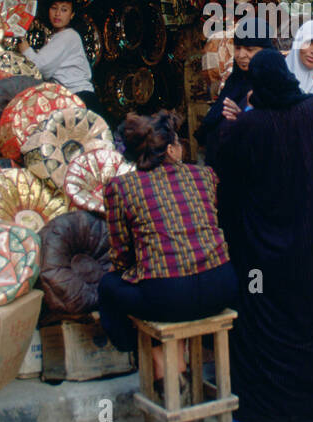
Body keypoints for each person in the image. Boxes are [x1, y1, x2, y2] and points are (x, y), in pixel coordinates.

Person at [211, 49, 313, 422]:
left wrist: (234, 124)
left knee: (263, 317)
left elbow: (226, 177)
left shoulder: (248, 127)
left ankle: (269, 411)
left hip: (263, 254)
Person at [98, 111, 239, 382]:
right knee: (173, 284)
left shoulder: (121, 187)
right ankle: (175, 356)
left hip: (168, 297)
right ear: (172, 149)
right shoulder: (204, 175)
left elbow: (120, 255)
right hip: (222, 285)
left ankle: (157, 357)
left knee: (108, 286)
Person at [194, 16, 275, 159]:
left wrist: (243, 119)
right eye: (237, 48)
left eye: (249, 49)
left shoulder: (273, 85)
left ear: (266, 50)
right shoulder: (235, 81)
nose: (241, 55)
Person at [20, 0, 99, 115]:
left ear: (71, 15)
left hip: (80, 98)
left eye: (64, 10)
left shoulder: (68, 36)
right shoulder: (59, 37)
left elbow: (40, 67)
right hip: (74, 98)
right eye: (54, 8)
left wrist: (25, 48)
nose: (57, 14)